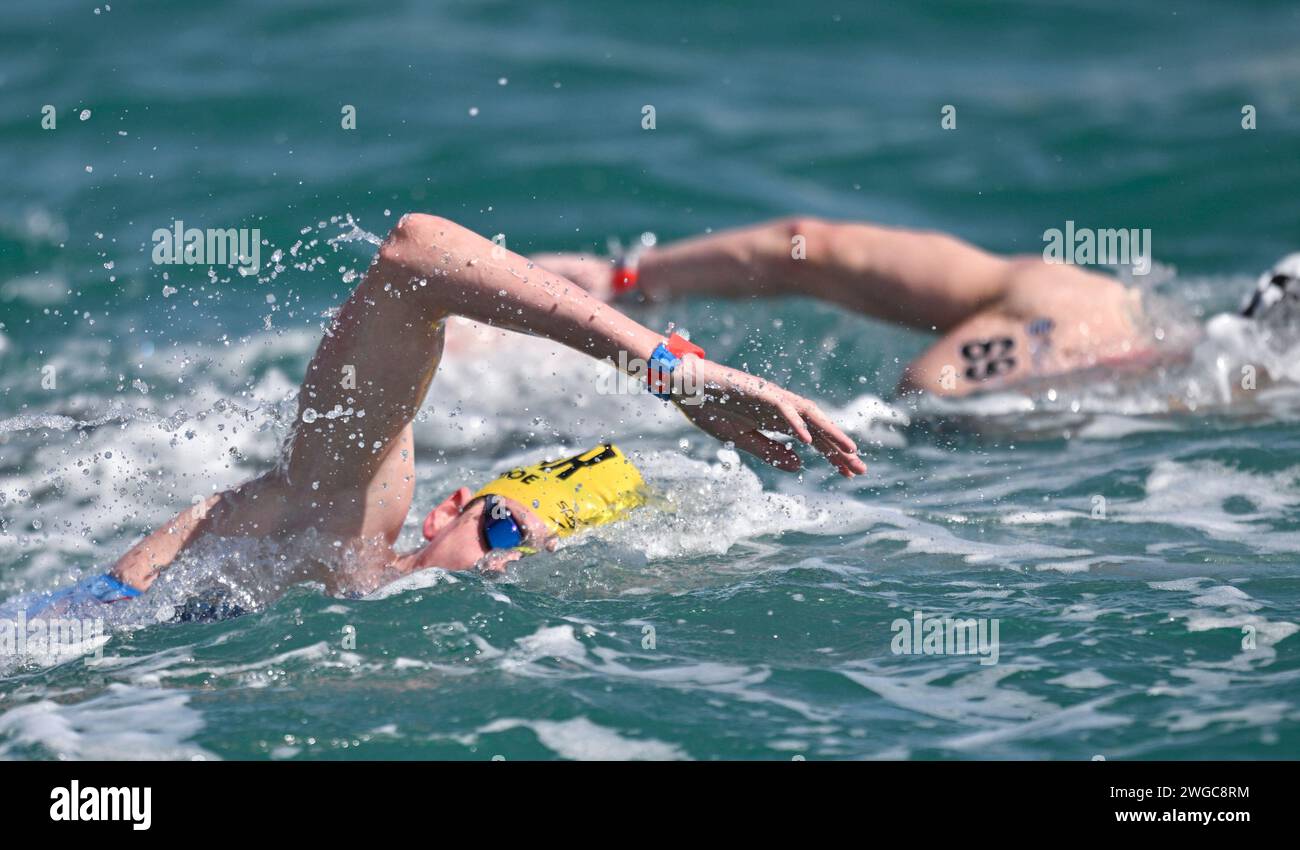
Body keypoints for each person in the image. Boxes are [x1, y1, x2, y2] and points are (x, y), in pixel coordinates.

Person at [17, 214, 865, 621]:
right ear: (449, 507)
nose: (500, 568)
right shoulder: (345, 524)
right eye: (501, 533)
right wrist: (671, 373)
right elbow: (414, 258)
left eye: (527, 558)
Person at [535, 218, 1300, 399]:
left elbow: (811, 246)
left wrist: (627, 280)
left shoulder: (1069, 294)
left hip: (733, 464)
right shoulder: (1212, 447)